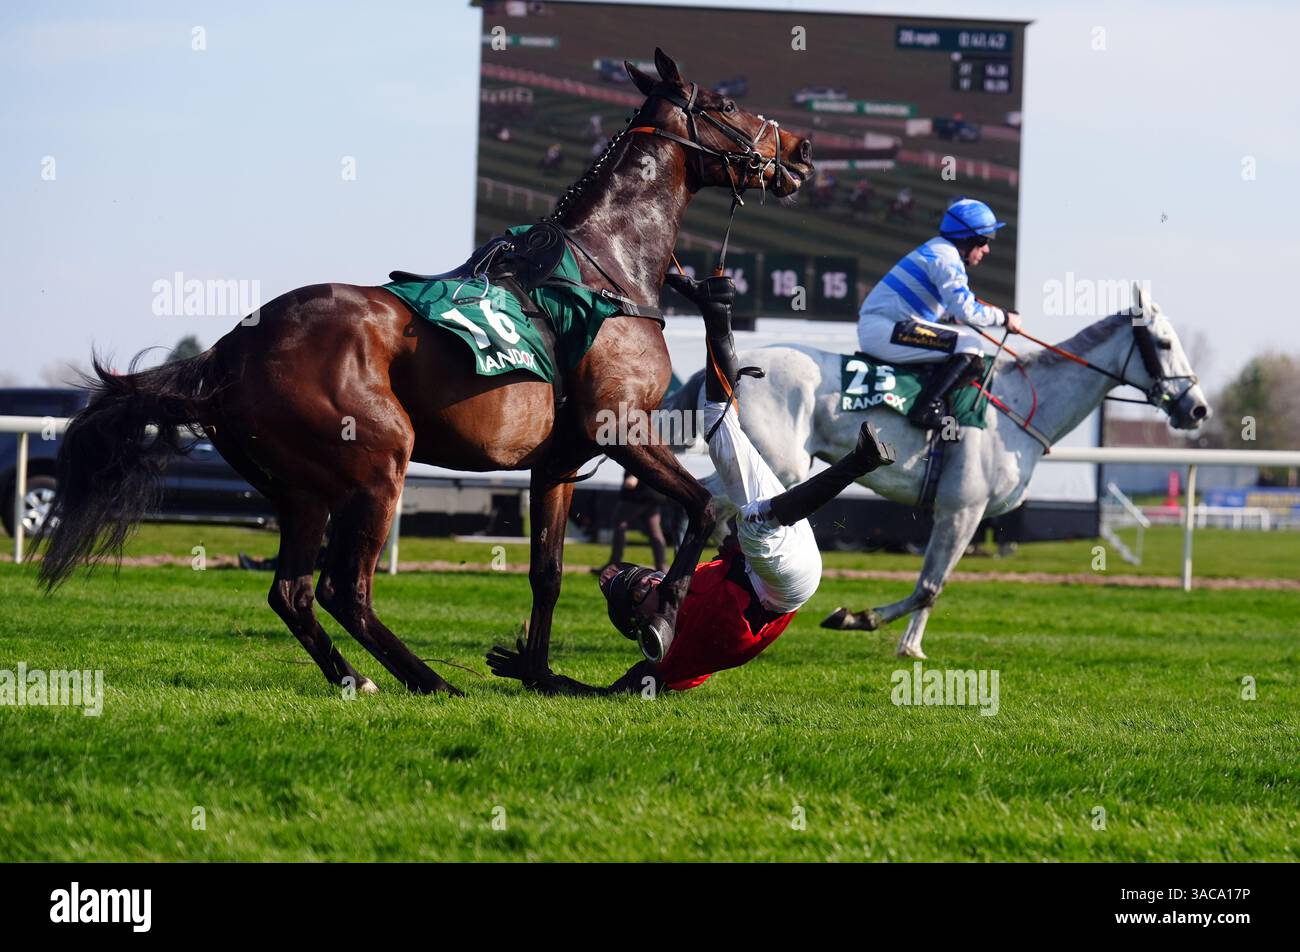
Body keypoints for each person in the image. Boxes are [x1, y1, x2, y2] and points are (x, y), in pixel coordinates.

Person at [487, 272, 895, 696]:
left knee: (719, 430)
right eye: (638, 592)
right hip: (788, 581)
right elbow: (613, 695)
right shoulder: (672, 654)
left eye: (644, 578)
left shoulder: (683, 589)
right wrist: (543, 678)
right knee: (755, 521)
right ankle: (858, 462)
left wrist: (732, 546)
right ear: (642, 622)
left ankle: (716, 312)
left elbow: (729, 563)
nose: (648, 582)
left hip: (778, 560)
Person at [857, 197, 1022, 429]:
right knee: (971, 347)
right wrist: (1004, 318)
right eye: (984, 240)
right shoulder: (946, 258)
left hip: (887, 325)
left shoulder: (940, 250)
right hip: (886, 329)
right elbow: (967, 311)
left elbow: (945, 309)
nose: (987, 249)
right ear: (967, 239)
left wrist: (955, 317)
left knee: (964, 344)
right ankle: (926, 409)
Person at [600, 471, 670, 574]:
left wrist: (633, 475)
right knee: (656, 533)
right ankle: (662, 567)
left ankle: (614, 564)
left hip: (638, 495)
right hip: (654, 494)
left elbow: (636, 470)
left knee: (619, 523)